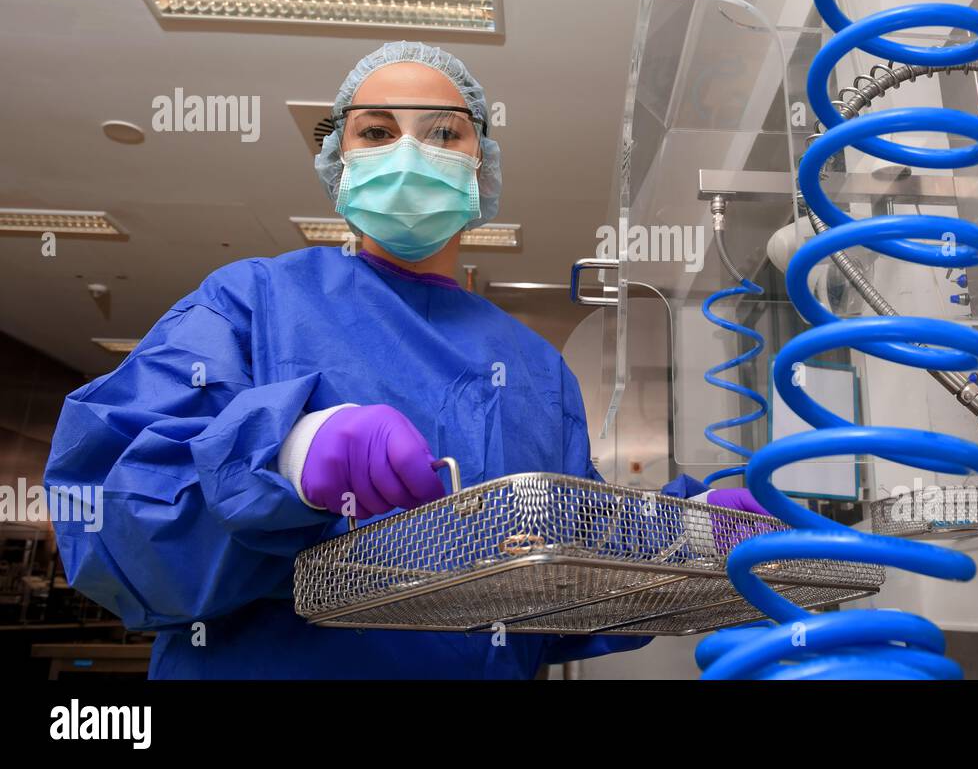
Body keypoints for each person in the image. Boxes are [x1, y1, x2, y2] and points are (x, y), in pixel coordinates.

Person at [44, 41, 764, 679]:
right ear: (339, 158)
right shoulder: (251, 303)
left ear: (479, 162)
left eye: (443, 132)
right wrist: (287, 454)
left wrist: (680, 532)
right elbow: (109, 521)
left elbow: (555, 567)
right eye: (377, 132)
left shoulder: (537, 371)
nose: (408, 154)